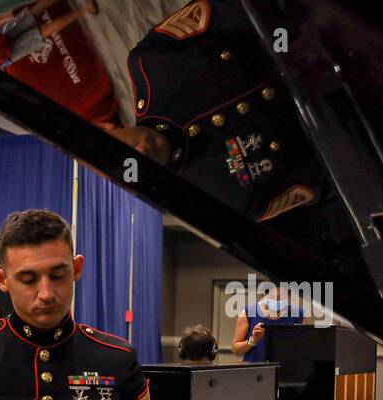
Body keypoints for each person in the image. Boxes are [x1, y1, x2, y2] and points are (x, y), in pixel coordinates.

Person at [111, 0, 338, 229]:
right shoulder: (221, 203)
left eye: (124, 151)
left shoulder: (150, 63)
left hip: (317, 19)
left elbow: (231, 7)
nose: (140, 152)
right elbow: (323, 179)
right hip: (349, 105)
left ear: (106, 128)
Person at [0, 208, 149, 400]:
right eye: (28, 279)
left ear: (77, 268)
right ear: (1, 280)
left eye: (57, 275)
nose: (46, 294)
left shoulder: (118, 358)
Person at [0, 0, 117, 128]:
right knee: (34, 13)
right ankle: (83, 10)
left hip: (4, 57)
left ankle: (85, 10)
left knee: (43, 32)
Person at [232, 284, 304, 362]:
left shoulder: (298, 314)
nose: (277, 300)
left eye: (281, 297)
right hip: (254, 369)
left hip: (287, 369)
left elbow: (305, 348)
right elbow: (236, 351)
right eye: (272, 296)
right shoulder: (249, 312)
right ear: (265, 294)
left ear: (289, 296)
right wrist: (253, 340)